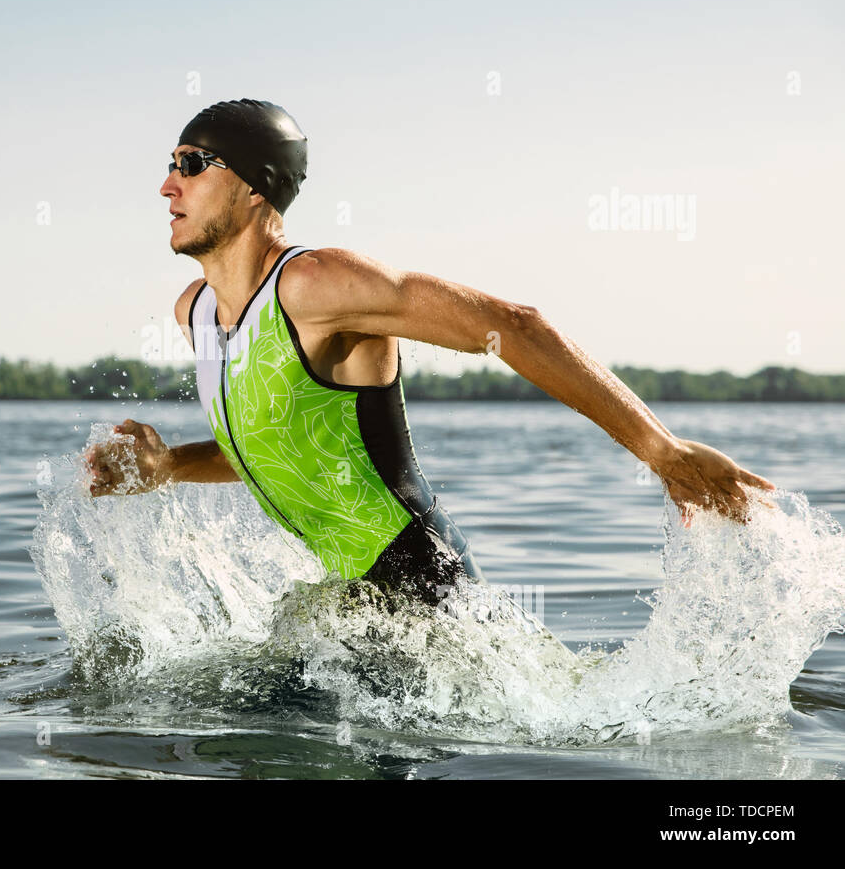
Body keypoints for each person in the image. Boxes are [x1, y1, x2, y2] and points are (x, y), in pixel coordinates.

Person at [85, 98, 775, 606]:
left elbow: (513, 325)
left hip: (421, 596)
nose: (167, 185)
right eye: (170, 165)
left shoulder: (315, 283)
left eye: (192, 164)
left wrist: (662, 451)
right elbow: (281, 444)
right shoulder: (198, 312)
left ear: (255, 184)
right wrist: (169, 466)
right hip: (351, 606)